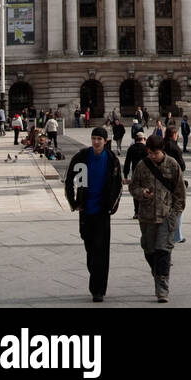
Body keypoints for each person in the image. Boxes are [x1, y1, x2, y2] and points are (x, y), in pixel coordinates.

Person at [65, 126, 123, 302]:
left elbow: (118, 185)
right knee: (90, 248)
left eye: (99, 139)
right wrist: (74, 203)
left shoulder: (112, 160)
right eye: (94, 138)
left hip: (102, 211)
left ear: (105, 142)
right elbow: (69, 180)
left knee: (102, 250)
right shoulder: (82, 157)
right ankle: (95, 275)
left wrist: (112, 205)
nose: (96, 142)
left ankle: (98, 290)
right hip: (86, 211)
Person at [130, 135, 186, 302]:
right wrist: (142, 193)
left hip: (166, 216)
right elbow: (133, 186)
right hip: (146, 216)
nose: (152, 156)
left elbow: (180, 193)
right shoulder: (142, 165)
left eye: (155, 153)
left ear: (162, 150)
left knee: (163, 251)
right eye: (149, 153)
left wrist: (175, 215)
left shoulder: (173, 165)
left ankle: (162, 289)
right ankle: (158, 272)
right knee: (149, 250)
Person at [163, 127, 187, 243]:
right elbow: (182, 166)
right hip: (175, 181)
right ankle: (177, 235)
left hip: (163, 179)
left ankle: (165, 233)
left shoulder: (162, 145)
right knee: (178, 207)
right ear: (173, 134)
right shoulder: (175, 147)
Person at [123, 132, 149, 218]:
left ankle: (136, 212)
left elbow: (127, 162)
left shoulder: (131, 148)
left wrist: (126, 175)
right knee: (145, 191)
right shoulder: (146, 148)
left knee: (136, 192)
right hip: (146, 173)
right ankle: (144, 211)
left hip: (135, 172)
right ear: (143, 139)